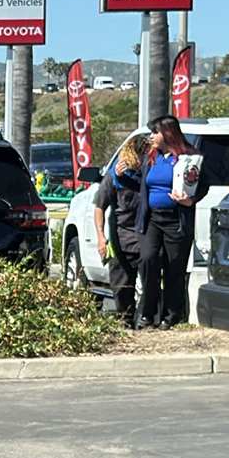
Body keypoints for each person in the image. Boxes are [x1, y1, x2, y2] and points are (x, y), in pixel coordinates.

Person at [134, 115, 207, 329]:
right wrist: (121, 178)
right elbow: (140, 183)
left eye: (155, 132)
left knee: (173, 268)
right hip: (152, 219)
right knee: (148, 260)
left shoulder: (188, 157)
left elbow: (204, 183)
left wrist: (190, 200)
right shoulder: (152, 157)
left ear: (167, 133)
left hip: (176, 219)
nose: (152, 137)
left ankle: (171, 315)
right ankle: (147, 313)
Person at [93, 134, 150, 325]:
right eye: (141, 154)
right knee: (122, 285)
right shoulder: (114, 176)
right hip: (121, 237)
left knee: (150, 283)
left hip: (147, 237)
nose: (142, 159)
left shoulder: (151, 174)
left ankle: (145, 319)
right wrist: (101, 237)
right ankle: (125, 320)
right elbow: (100, 207)